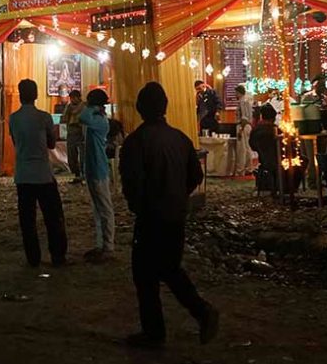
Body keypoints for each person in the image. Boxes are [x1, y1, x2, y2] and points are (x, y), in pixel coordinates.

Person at [120, 82, 218, 349]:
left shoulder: (136, 142)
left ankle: (170, 324)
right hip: (175, 215)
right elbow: (195, 176)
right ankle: (184, 319)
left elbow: (132, 182)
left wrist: (139, 204)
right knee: (168, 268)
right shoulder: (180, 138)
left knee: (146, 274)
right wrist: (178, 194)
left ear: (140, 109)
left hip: (151, 216)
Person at [8, 79, 67, 268]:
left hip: (23, 175)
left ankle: (33, 258)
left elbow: (16, 143)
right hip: (43, 174)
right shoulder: (44, 117)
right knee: (53, 217)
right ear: (36, 95)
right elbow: (51, 143)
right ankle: (57, 256)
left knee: (27, 220)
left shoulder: (13, 119)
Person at [79, 89, 114, 263]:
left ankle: (108, 246)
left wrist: (91, 108)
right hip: (93, 169)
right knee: (98, 209)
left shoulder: (99, 121)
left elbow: (82, 117)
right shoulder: (97, 119)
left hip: (99, 169)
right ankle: (101, 245)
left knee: (105, 209)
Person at [60, 89, 85, 183]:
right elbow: (64, 119)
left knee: (83, 156)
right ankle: (76, 174)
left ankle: (83, 175)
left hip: (81, 132)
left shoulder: (84, 107)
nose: (71, 100)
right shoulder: (69, 107)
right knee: (71, 156)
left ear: (78, 98)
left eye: (73, 98)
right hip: (71, 132)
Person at [234, 84, 255, 177]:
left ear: (238, 92)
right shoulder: (248, 101)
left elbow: (244, 117)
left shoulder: (242, 101)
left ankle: (240, 170)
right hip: (248, 126)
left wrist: (240, 129)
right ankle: (248, 168)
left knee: (241, 149)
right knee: (247, 148)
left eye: (236, 93)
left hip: (243, 125)